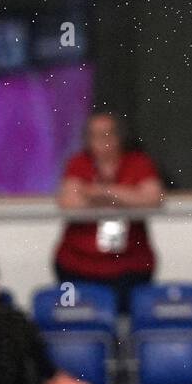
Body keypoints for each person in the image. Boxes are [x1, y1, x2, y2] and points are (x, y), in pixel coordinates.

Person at [55, 112, 165, 312]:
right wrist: (128, 196)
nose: (102, 141)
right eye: (95, 135)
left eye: (107, 134)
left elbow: (152, 199)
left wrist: (101, 193)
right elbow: (69, 202)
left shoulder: (138, 162)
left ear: (119, 137)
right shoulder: (78, 163)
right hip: (79, 264)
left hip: (129, 265)